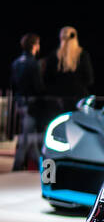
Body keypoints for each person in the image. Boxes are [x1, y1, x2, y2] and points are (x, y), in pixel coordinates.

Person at [10, 34, 47, 171]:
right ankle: (17, 166)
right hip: (31, 104)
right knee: (27, 138)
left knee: (30, 138)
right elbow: (38, 87)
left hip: (19, 102)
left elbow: (13, 84)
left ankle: (39, 167)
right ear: (34, 45)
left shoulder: (16, 62)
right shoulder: (33, 64)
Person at [45, 26, 94, 111]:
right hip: (79, 99)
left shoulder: (53, 56)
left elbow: (47, 79)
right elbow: (89, 79)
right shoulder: (83, 55)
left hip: (58, 100)